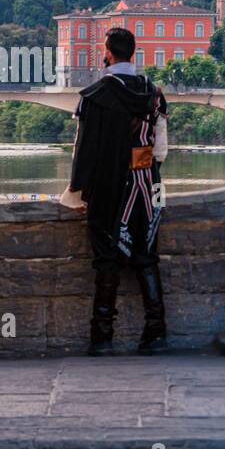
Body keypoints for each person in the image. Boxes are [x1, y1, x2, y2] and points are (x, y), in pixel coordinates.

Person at [63, 27, 169, 355]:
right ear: (133, 54)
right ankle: (156, 334)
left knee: (106, 259)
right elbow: (161, 149)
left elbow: (83, 151)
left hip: (109, 187)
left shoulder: (94, 96)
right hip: (147, 185)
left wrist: (76, 192)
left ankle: (102, 337)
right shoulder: (154, 93)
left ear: (107, 53)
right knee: (147, 257)